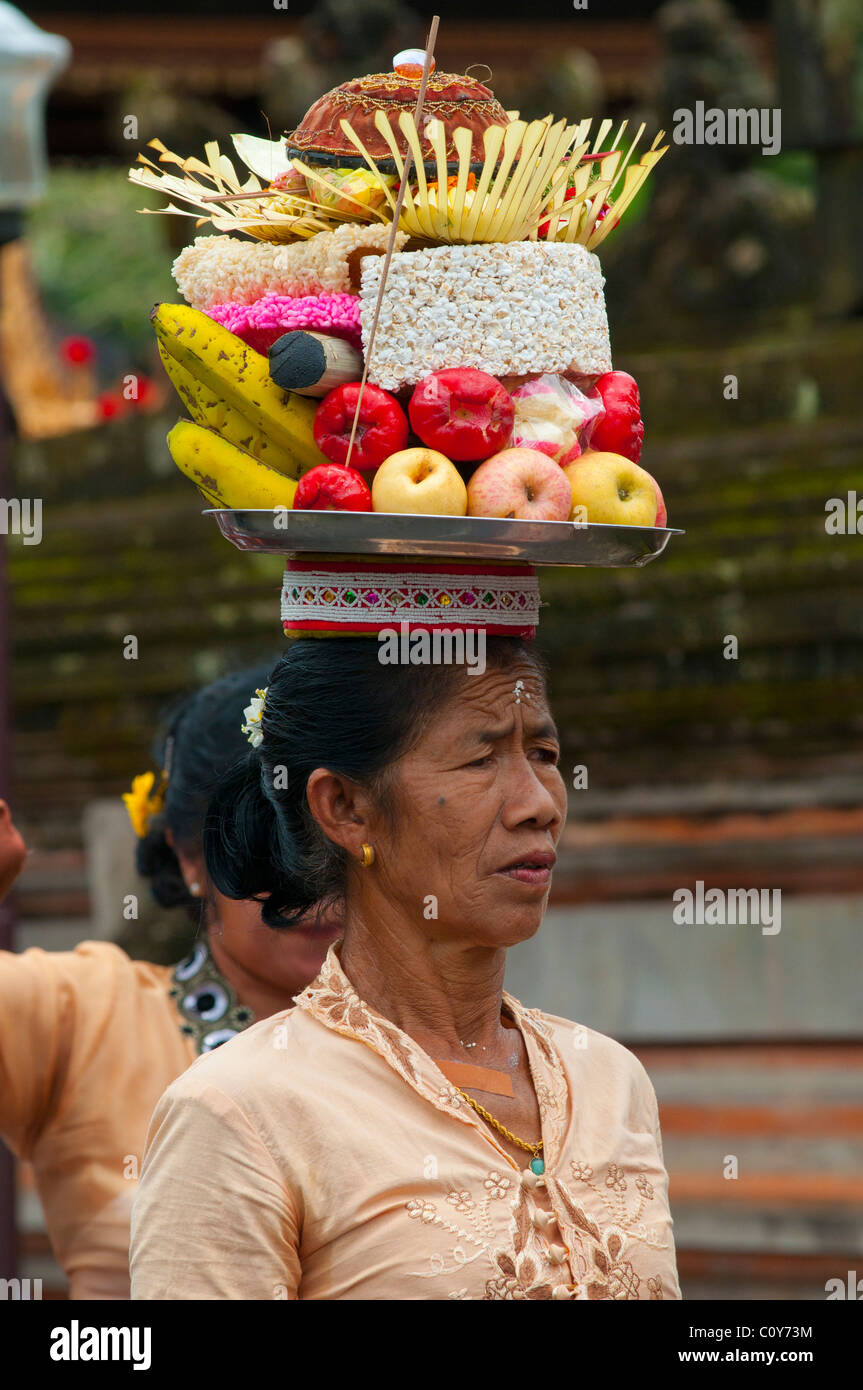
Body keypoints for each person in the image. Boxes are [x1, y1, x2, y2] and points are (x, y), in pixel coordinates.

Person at [130, 635, 681, 1301]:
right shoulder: (239, 1112)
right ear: (346, 808)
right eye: (480, 759)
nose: (539, 803)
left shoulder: (609, 1079)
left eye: (543, 754)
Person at [0, 664, 341, 1299]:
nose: (311, 884)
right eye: (266, 842)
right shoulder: (89, 1015)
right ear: (189, 856)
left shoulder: (471, 1046)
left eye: (334, 831)